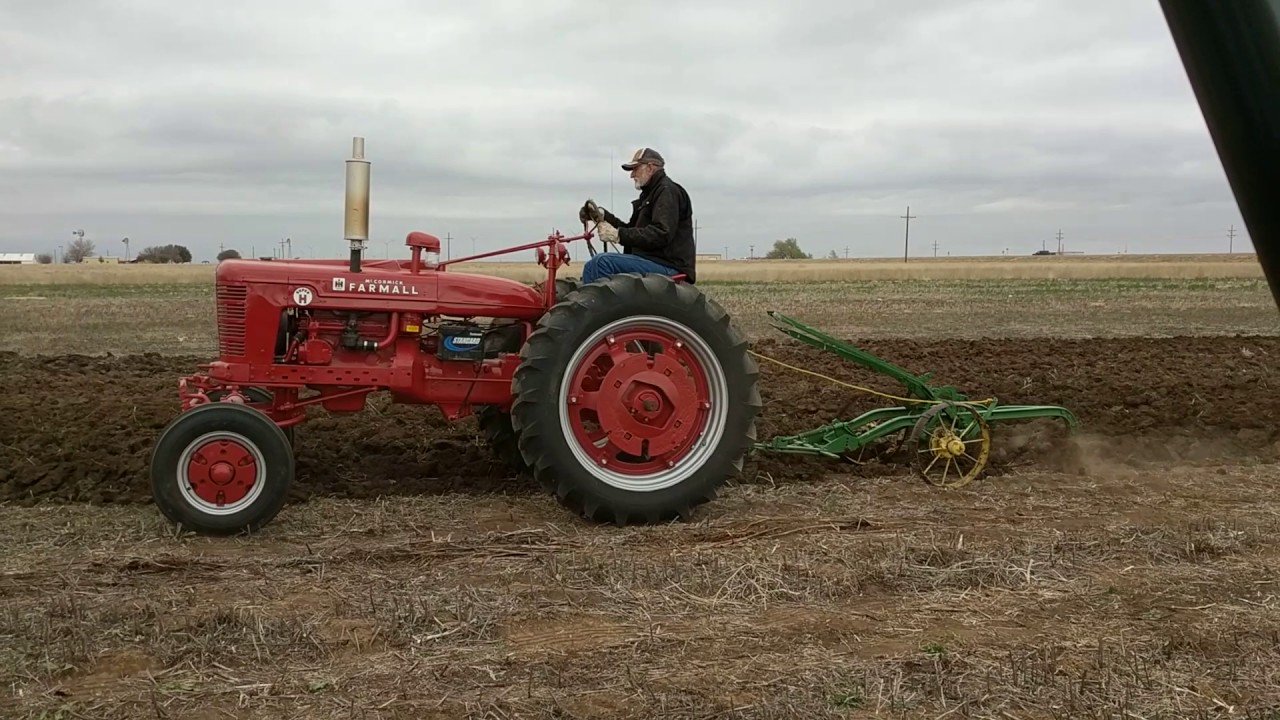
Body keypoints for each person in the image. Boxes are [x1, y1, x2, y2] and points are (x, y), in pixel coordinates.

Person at [578, 147, 697, 284]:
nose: (632, 175)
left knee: (600, 263)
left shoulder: (667, 191)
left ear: (650, 168)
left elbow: (661, 233)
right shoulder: (649, 194)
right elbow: (632, 229)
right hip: (653, 261)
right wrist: (603, 216)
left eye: (635, 169)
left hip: (668, 265)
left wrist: (618, 235)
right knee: (592, 266)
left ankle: (593, 304)